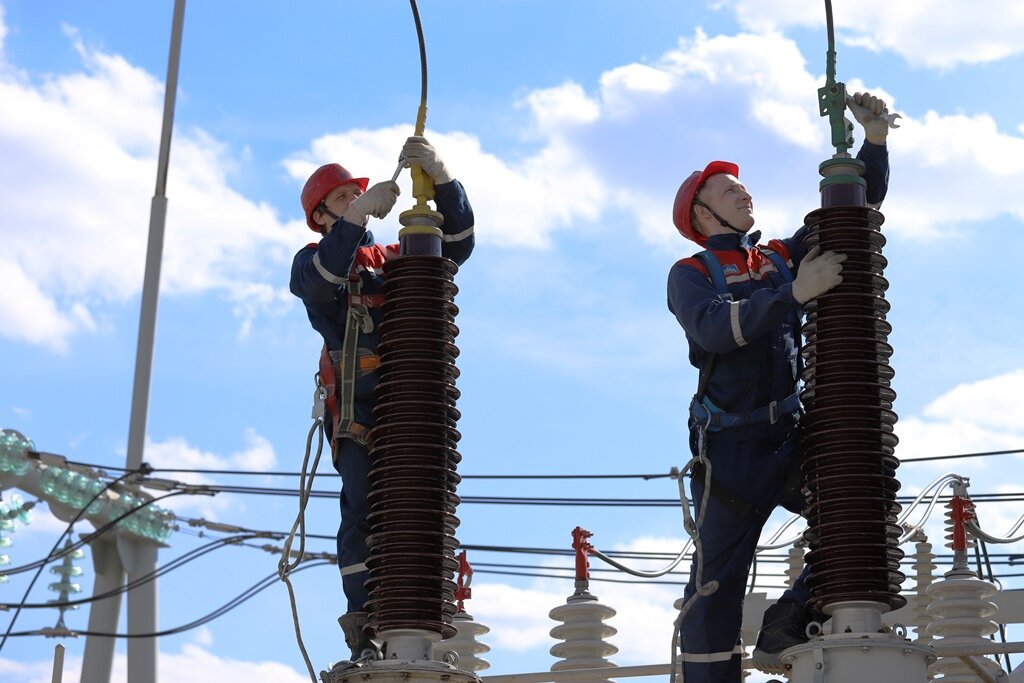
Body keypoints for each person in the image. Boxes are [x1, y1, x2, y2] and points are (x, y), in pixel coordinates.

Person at [666, 92, 890, 682]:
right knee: (713, 590)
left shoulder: (776, 258)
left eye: (740, 186)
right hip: (733, 450)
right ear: (701, 215)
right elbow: (715, 329)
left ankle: (786, 620)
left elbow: (844, 214)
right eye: (724, 189)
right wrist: (791, 295)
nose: (742, 191)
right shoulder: (691, 275)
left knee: (858, 506)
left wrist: (872, 144)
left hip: (789, 434)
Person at [290, 136, 475, 663]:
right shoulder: (311, 261)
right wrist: (353, 225)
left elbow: (455, 248)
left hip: (410, 405)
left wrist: (443, 182)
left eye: (359, 195)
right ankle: (363, 613)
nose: (357, 202)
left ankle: (418, 602)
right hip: (358, 414)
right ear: (321, 216)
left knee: (417, 507)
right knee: (364, 508)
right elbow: (324, 281)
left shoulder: (390, 259)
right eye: (345, 198)